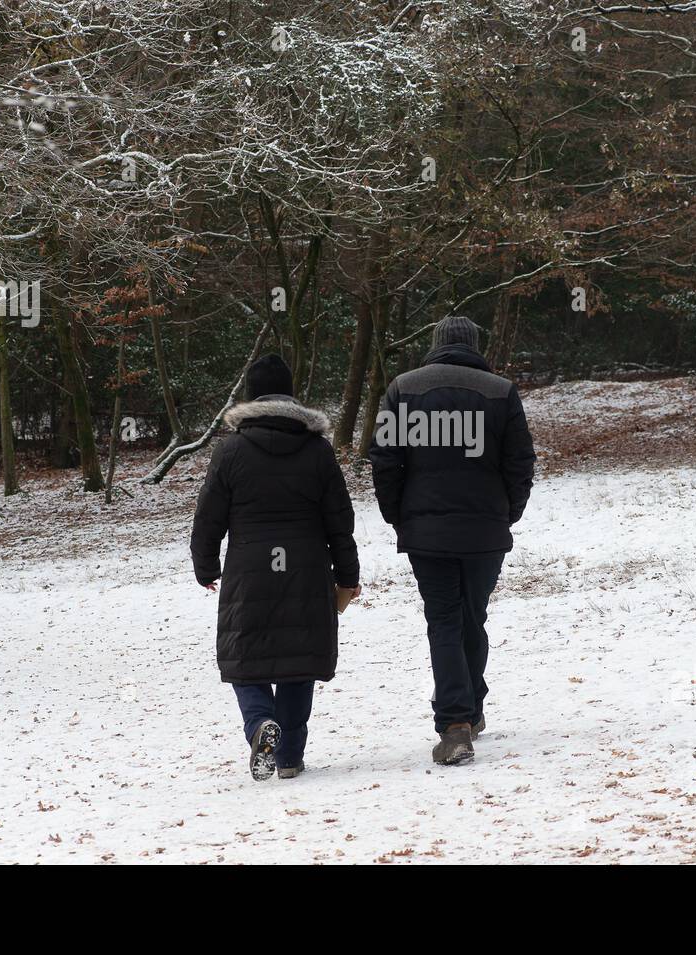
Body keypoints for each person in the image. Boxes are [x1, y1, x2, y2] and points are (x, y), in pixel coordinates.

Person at [368, 316, 535, 766]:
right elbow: (521, 463)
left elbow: (385, 461)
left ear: (435, 344)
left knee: (444, 620)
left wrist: (398, 517)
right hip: (484, 530)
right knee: (472, 616)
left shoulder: (403, 389)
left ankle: (456, 723)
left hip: (426, 533)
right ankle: (469, 708)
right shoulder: (500, 391)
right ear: (475, 345)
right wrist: (506, 514)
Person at [191, 354, 360, 781]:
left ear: (251, 396)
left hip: (249, 567)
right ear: (290, 394)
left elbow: (209, 516)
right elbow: (340, 519)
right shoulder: (318, 450)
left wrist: (205, 565)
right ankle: (288, 757)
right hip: (306, 566)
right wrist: (348, 575)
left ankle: (259, 724)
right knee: (299, 659)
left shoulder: (230, 451)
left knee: (245, 657)